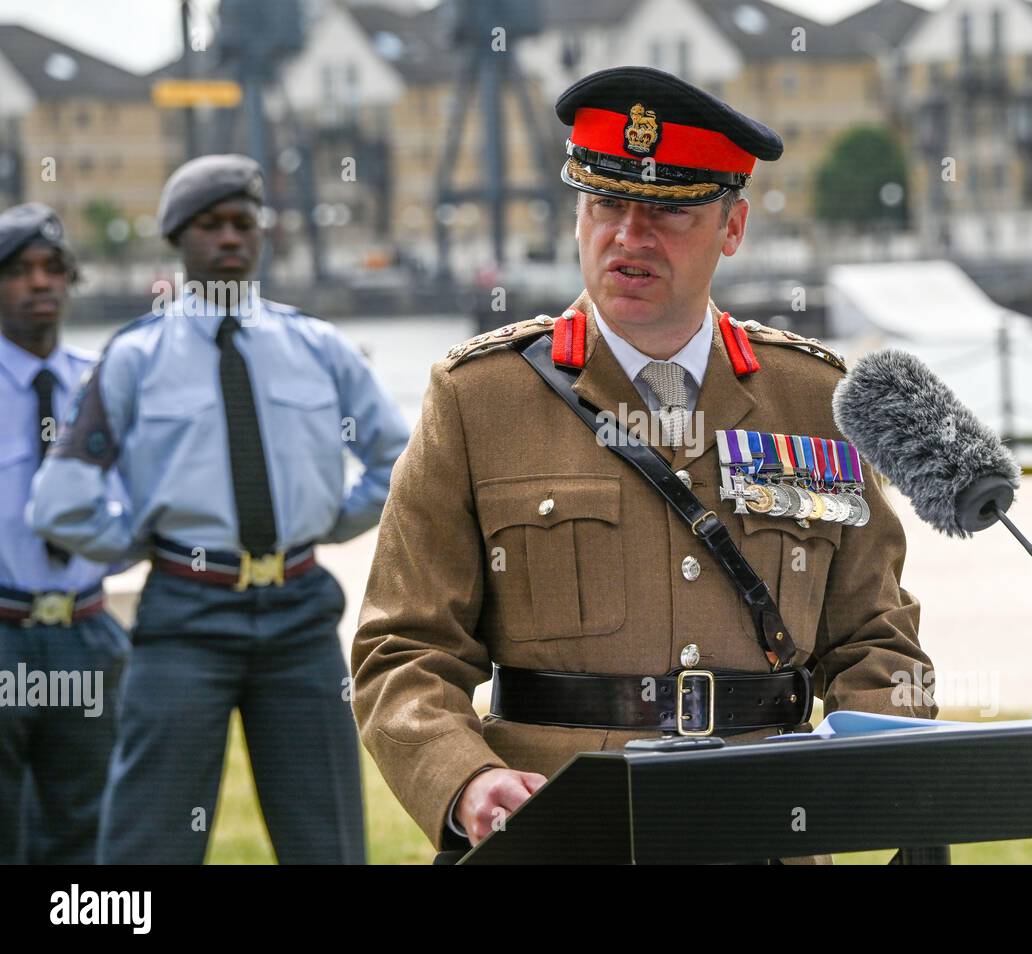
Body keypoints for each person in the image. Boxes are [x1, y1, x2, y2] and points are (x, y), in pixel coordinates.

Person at [351, 66, 938, 865]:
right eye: (606, 204)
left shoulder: (812, 400)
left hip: (761, 835)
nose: (629, 236)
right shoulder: (478, 400)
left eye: (667, 213)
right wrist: (463, 779)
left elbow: (875, 639)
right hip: (556, 835)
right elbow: (403, 650)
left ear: (733, 227)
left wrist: (874, 774)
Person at [29, 155, 410, 864]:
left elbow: (404, 458)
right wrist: (144, 540)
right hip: (185, 621)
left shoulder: (318, 348)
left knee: (327, 842)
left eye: (244, 224)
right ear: (180, 239)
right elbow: (60, 498)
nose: (231, 239)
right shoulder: (135, 359)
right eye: (212, 226)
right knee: (149, 845)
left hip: (300, 617)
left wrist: (336, 517)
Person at [0, 203, 131, 864]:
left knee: (86, 830)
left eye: (54, 268)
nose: (40, 283)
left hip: (87, 631)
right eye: (19, 271)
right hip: (3, 631)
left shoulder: (105, 383)